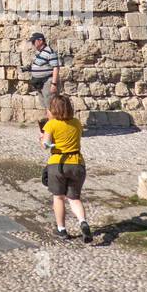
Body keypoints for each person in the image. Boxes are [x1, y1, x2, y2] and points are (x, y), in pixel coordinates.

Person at [40, 94, 92, 242]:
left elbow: (46, 145)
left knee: (58, 197)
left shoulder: (51, 124)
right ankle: (83, 221)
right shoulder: (76, 123)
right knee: (74, 198)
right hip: (77, 163)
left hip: (58, 163)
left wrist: (42, 138)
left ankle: (61, 229)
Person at [27, 31, 60, 110]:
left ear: (40, 41)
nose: (32, 43)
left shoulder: (50, 52)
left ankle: (53, 122)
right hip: (40, 83)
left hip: (48, 82)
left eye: (33, 41)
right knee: (45, 105)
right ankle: (49, 122)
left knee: (51, 106)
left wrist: (54, 84)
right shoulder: (39, 52)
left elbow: (56, 67)